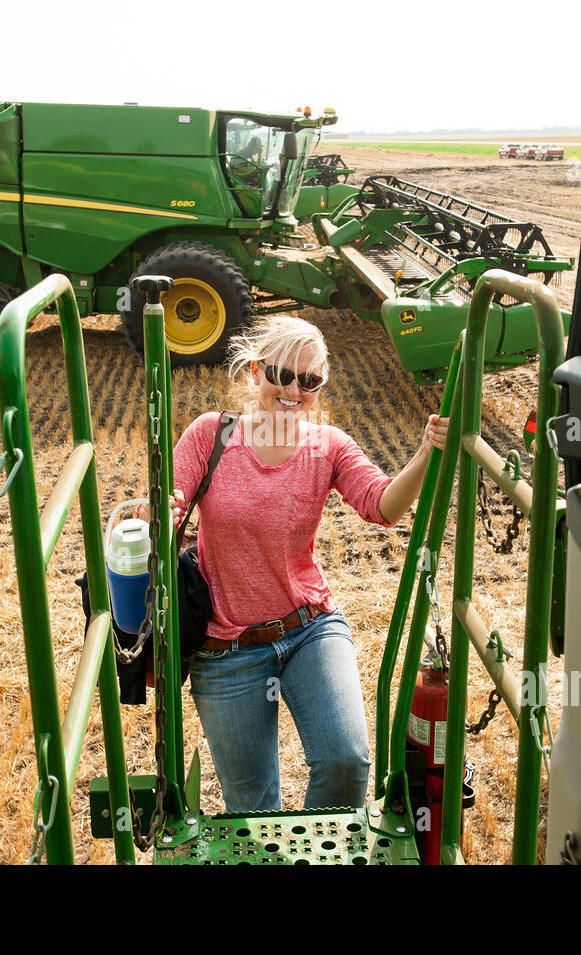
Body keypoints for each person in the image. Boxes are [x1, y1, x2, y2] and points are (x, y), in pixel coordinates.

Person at [168, 314, 449, 813]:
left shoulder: (329, 446)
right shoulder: (210, 436)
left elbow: (382, 505)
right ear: (256, 372)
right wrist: (161, 513)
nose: (295, 390)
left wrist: (427, 452)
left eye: (310, 380)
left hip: (309, 629)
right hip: (226, 648)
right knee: (252, 809)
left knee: (348, 760)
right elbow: (167, 500)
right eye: (282, 374)